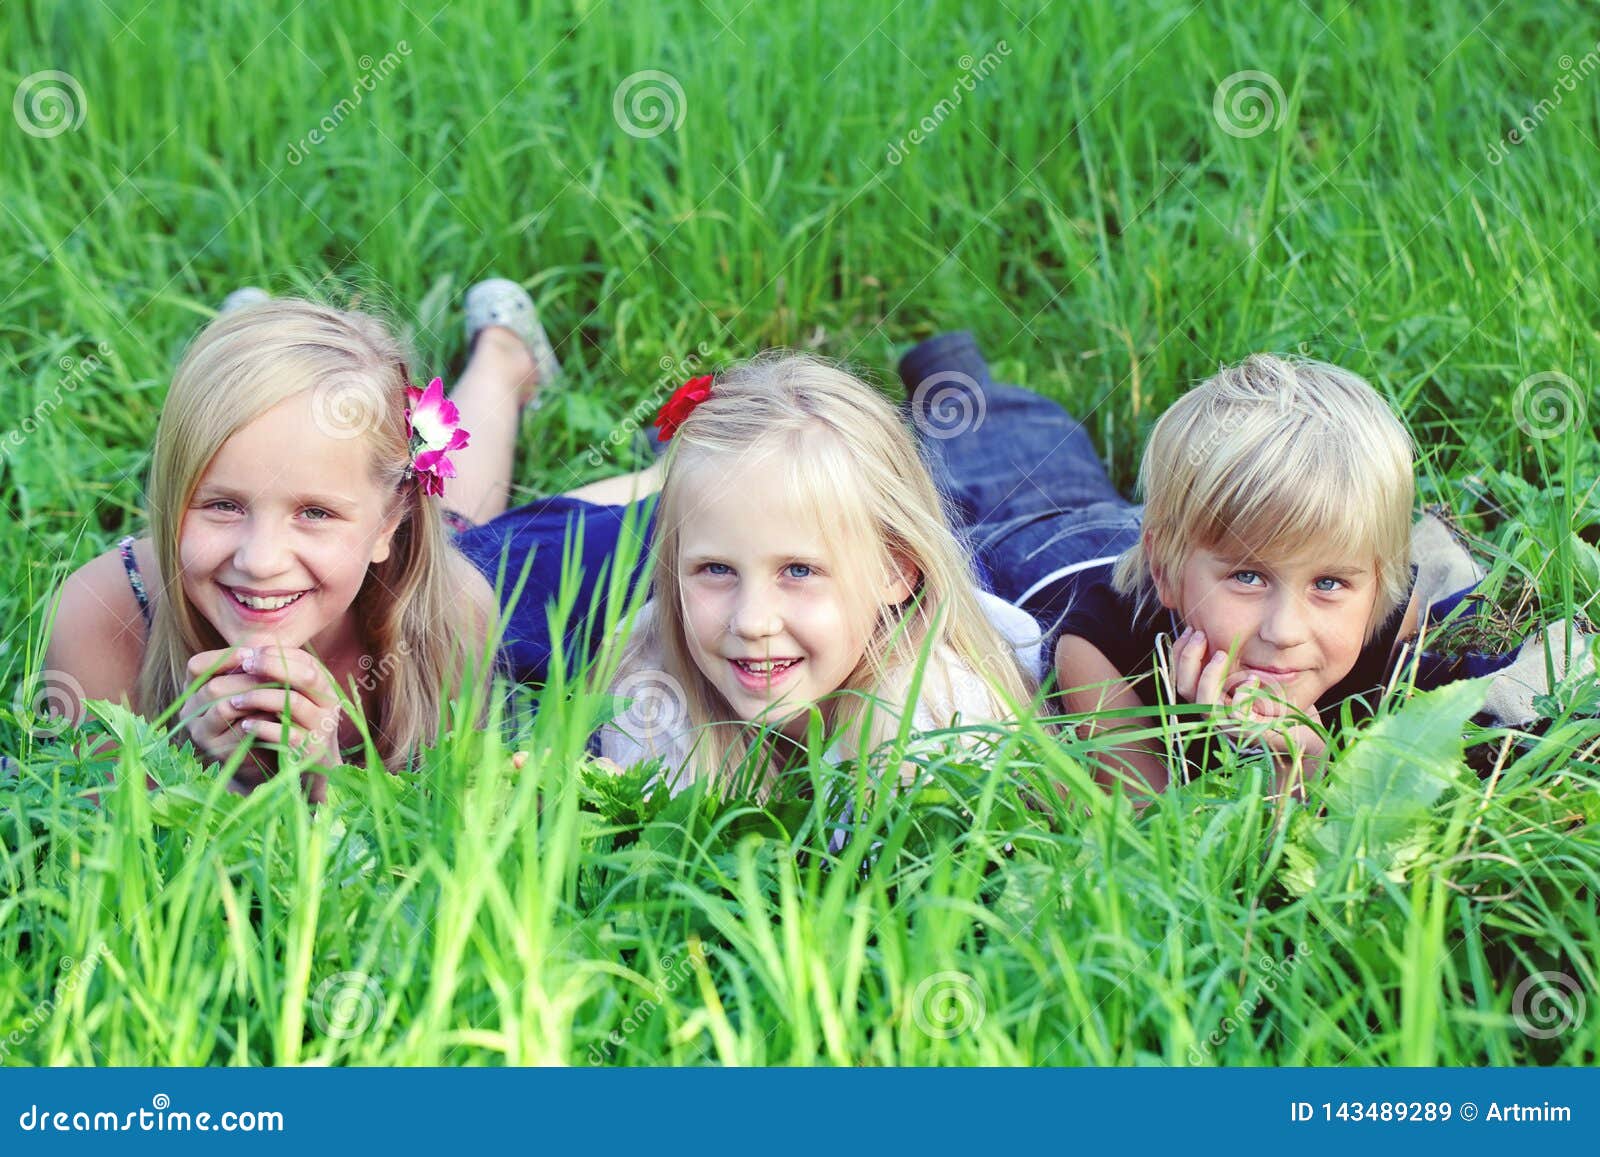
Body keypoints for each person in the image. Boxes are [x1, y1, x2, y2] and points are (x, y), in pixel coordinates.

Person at [41, 283, 656, 796]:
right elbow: (98, 844)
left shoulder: (452, 620)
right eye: (222, 504)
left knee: (511, 527)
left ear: (391, 523)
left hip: (439, 556)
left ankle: (504, 358)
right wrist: (215, 783)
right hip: (370, 538)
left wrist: (319, 781)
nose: (259, 561)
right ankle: (266, 367)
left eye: (313, 513)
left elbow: (418, 853)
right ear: (172, 496)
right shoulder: (104, 616)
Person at [899, 332, 1508, 799]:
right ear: (1164, 571)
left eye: (1327, 583)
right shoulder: (1098, 656)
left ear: (1377, 585)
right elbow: (1155, 836)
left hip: (1174, 538)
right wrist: (1281, 770)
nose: (1284, 630)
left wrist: (1303, 765)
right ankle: (953, 373)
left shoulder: (1386, 620)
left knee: (1078, 485)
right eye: (1250, 578)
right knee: (995, 463)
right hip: (1030, 557)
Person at [597, 353, 1041, 796]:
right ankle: (656, 471)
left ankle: (956, 374)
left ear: (893, 571)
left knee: (998, 440)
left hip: (1034, 544)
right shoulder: (652, 687)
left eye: (798, 570)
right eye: (716, 569)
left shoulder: (933, 718)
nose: (752, 622)